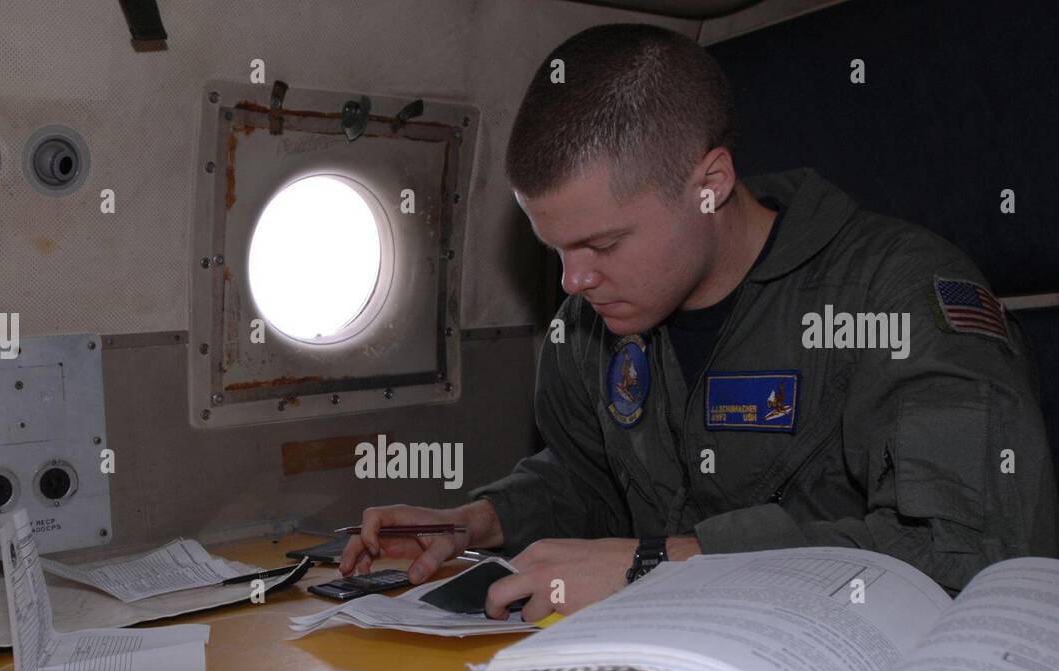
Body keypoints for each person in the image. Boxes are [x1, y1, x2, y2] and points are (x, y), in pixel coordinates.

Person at [339, 23, 1058, 620]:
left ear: (710, 186)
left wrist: (658, 564)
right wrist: (479, 521)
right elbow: (592, 482)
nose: (573, 280)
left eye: (603, 244)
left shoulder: (893, 295)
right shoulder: (591, 325)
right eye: (554, 248)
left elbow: (979, 550)